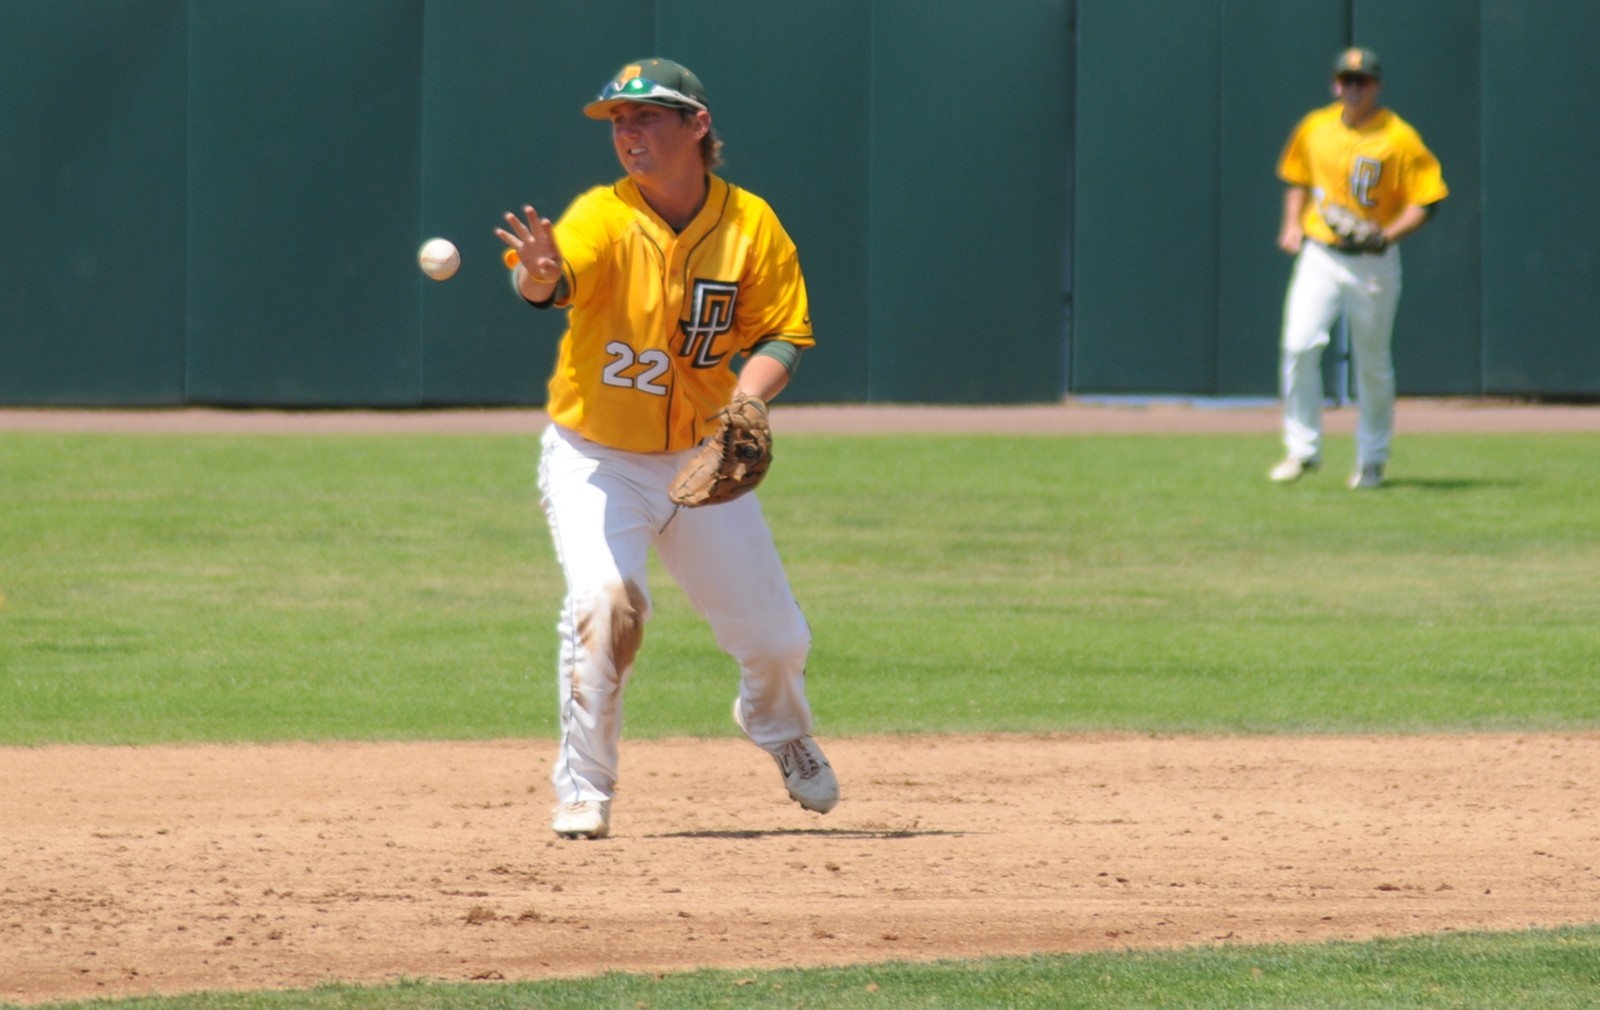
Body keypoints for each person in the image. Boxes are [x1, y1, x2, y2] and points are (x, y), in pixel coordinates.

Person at [494, 58, 838, 840]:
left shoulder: (750, 224)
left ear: (698, 126)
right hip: (597, 459)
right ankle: (583, 785)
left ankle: (780, 731)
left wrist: (748, 398)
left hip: (700, 462)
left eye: (646, 117)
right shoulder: (602, 217)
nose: (628, 132)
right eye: (618, 120)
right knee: (606, 604)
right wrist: (539, 278)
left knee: (778, 640)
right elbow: (553, 278)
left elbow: (785, 332)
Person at [1270, 47, 1448, 489]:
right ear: (1335, 84)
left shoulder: (1399, 137)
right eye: (1346, 80)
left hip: (1372, 262)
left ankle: (1372, 460)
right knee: (1298, 346)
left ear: (1377, 86)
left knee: (1372, 363)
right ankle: (1302, 450)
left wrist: (1385, 236)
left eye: (1361, 81)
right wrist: (1291, 224)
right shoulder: (1315, 126)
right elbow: (1296, 177)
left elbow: (1428, 199)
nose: (1353, 88)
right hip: (1321, 254)